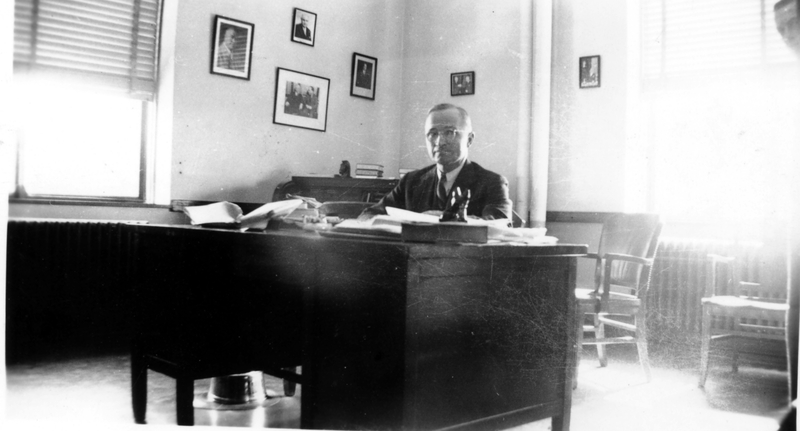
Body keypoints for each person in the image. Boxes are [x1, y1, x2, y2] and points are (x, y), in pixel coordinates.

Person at [361, 103, 512, 220]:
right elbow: (368, 215)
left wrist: (438, 219)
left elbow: (496, 227)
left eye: (449, 132)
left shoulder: (492, 183)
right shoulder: (411, 182)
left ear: (470, 139)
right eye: (432, 134)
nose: (439, 142)